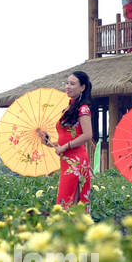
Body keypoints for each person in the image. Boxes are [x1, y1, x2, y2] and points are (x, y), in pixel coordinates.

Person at [41, 71, 93, 208]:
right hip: (66, 160)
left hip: (76, 161)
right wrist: (49, 142)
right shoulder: (68, 109)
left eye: (72, 84)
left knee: (69, 205)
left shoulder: (83, 109)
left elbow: (88, 135)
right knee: (66, 202)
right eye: (67, 83)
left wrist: (65, 147)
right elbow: (66, 138)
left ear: (82, 87)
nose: (68, 86)